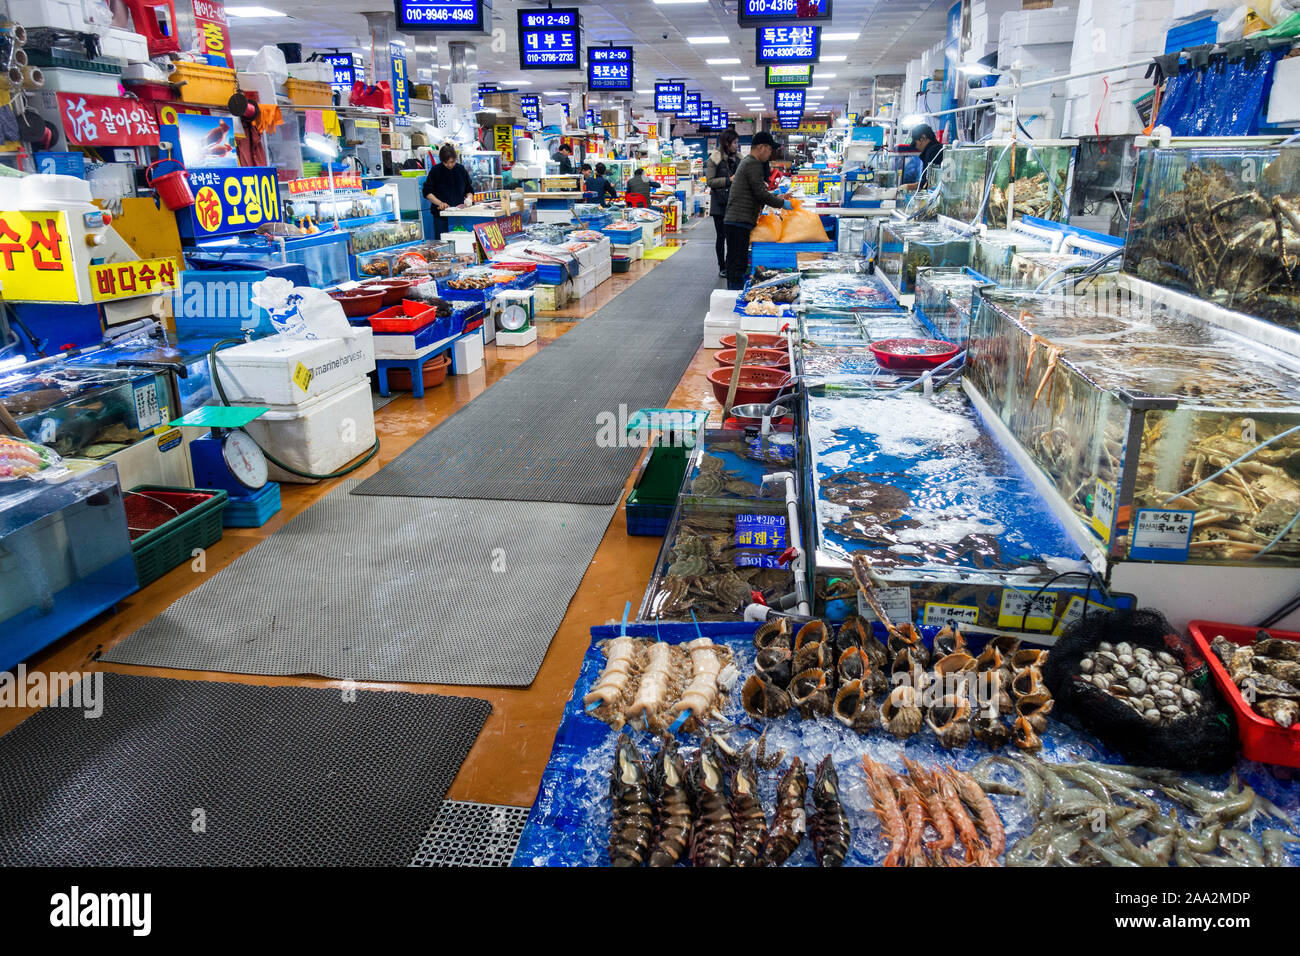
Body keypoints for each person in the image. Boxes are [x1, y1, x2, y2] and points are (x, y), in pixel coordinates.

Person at [722, 131, 792, 291]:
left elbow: (756, 192)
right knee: (737, 264)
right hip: (739, 221)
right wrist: (783, 204)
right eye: (769, 150)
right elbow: (760, 194)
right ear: (761, 147)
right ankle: (734, 296)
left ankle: (733, 294)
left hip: (737, 220)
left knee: (735, 262)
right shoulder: (752, 163)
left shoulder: (748, 162)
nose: (770, 154)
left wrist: (776, 197)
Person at [704, 129, 741, 277]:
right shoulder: (715, 158)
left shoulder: (739, 158)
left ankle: (730, 263)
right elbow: (710, 181)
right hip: (719, 203)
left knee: (733, 236)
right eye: (735, 143)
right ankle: (722, 266)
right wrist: (728, 180)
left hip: (735, 202)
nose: (737, 146)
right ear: (727, 143)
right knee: (721, 236)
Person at [422, 143, 473, 239]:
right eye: (446, 163)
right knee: (443, 242)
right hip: (441, 215)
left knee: (461, 241)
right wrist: (439, 203)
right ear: (441, 161)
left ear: (456, 158)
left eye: (452, 162)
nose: (449, 165)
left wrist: (469, 198)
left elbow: (469, 189)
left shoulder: (461, 169)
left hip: (459, 214)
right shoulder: (435, 171)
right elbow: (427, 192)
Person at [907, 123, 944, 190]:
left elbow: (926, 183)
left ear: (923, 138)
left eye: (916, 143)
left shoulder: (933, 152)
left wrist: (907, 187)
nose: (916, 147)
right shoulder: (937, 149)